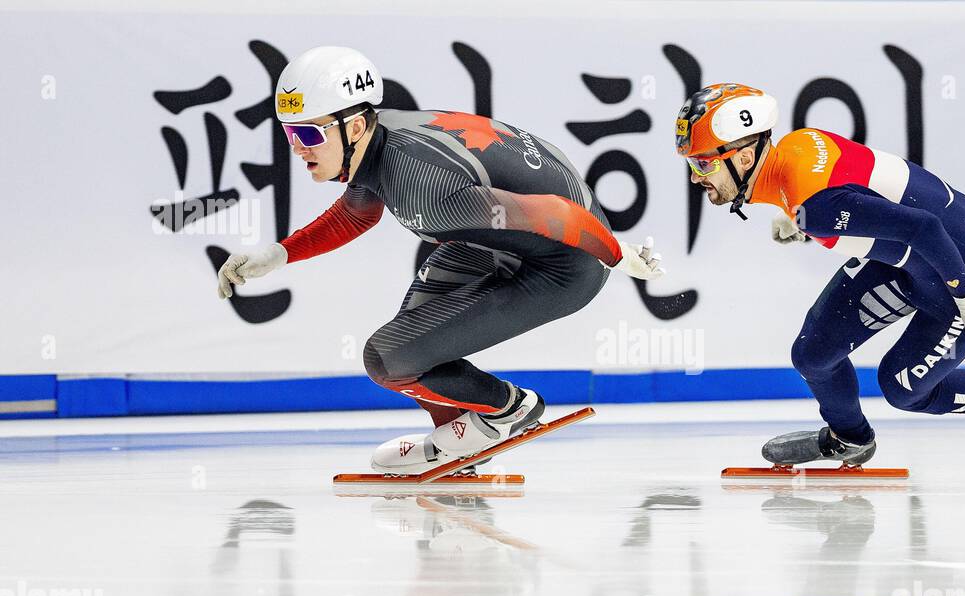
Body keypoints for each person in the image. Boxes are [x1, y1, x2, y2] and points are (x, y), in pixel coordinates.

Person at [215, 46, 663, 473]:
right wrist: (277, 254)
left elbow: (554, 213)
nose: (297, 148)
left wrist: (618, 256)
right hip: (506, 242)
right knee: (414, 340)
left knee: (388, 359)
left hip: (564, 267)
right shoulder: (380, 138)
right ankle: (464, 436)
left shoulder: (421, 185)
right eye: (290, 133)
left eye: (308, 133)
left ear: (353, 128)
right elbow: (355, 214)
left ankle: (507, 409)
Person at [674, 83, 965, 466]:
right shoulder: (796, 147)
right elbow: (853, 189)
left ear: (744, 157)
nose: (695, 176)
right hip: (910, 263)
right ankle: (850, 437)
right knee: (813, 355)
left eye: (702, 162)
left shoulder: (817, 204)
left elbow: (924, 227)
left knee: (903, 390)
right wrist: (797, 216)